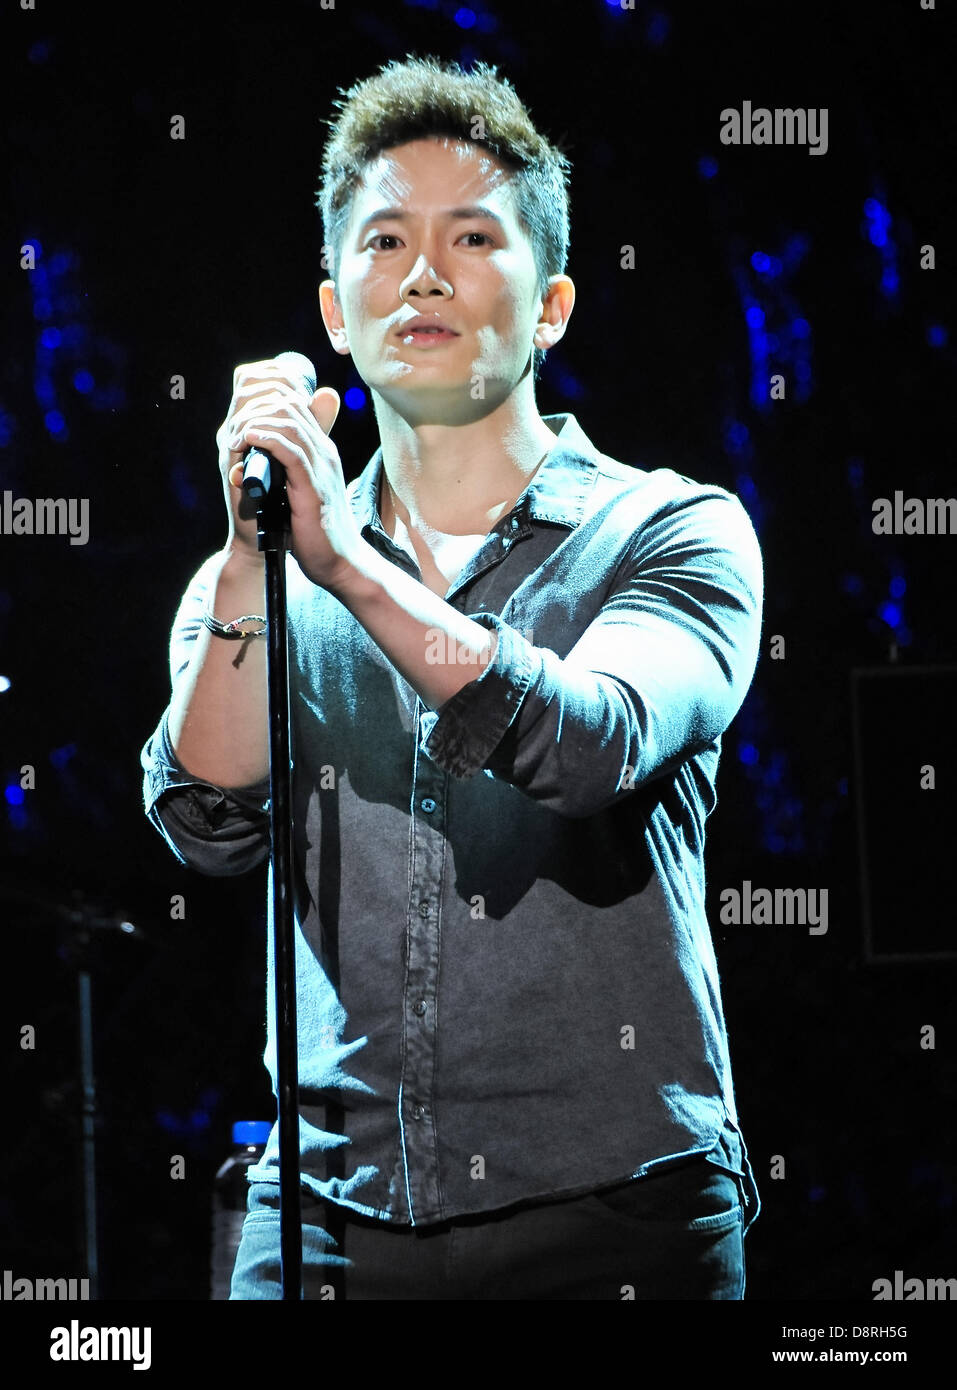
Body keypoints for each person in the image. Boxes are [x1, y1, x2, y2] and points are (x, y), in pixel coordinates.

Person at [141, 54, 764, 1300]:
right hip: (323, 1215)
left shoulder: (674, 532)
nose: (421, 270)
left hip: (609, 1216)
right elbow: (208, 824)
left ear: (553, 307)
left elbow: (585, 747)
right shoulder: (260, 569)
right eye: (383, 240)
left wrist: (352, 567)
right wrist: (259, 559)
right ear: (332, 310)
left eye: (472, 235)